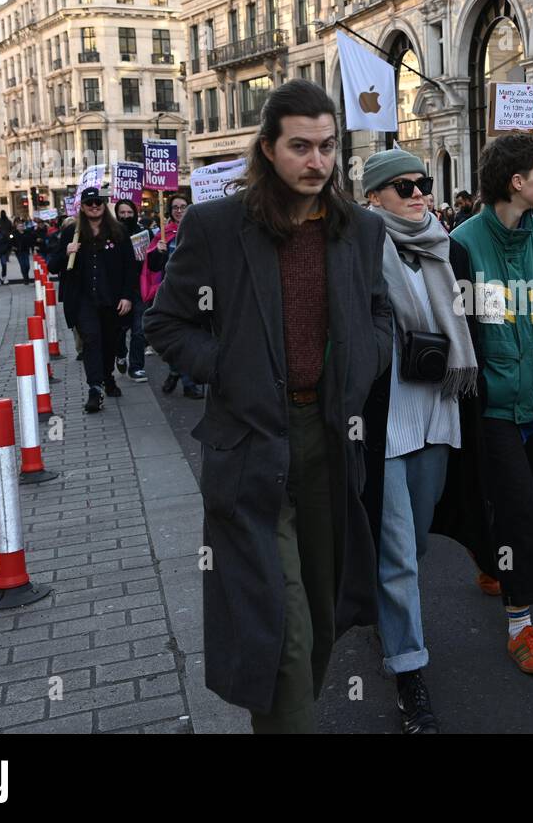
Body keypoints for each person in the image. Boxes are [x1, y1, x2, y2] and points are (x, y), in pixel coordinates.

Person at [145, 79, 391, 734]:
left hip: (331, 441)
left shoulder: (359, 230)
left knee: (319, 612)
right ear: (268, 149)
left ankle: (277, 722)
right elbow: (167, 324)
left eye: (328, 147)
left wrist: (367, 360)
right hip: (252, 446)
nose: (318, 162)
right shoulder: (217, 228)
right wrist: (228, 368)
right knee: (280, 626)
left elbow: (379, 310)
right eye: (301, 147)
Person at [442, 133, 533, 675]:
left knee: (515, 496)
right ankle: (521, 625)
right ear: (516, 182)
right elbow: (457, 333)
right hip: (490, 406)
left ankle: (488, 558)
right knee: (520, 512)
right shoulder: (461, 245)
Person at [360, 147, 477, 734]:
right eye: (402, 186)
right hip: (385, 424)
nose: (416, 194)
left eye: (422, 183)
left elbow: (472, 319)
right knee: (400, 554)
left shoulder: (446, 245)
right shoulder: (359, 248)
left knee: (418, 544)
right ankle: (409, 673)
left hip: (439, 415)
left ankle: (387, 607)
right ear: (374, 196)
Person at [47, 187, 135, 413]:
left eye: (98, 202)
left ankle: (107, 377)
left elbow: (130, 268)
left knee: (110, 343)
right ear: (82, 207)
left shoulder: (119, 232)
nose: (94, 206)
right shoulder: (71, 233)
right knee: (91, 341)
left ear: (104, 205)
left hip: (111, 299)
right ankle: (95, 389)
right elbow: (53, 266)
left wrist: (126, 296)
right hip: (83, 299)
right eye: (89, 203)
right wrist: (66, 252)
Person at [149, 196, 203, 399]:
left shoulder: (200, 229)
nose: (179, 211)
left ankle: (174, 372)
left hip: (199, 291)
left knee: (196, 334)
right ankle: (189, 384)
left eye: (183, 207)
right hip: (172, 292)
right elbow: (153, 266)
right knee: (176, 335)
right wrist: (158, 251)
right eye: (175, 207)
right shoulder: (162, 233)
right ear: (169, 211)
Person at [113, 200, 149, 383]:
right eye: (122, 212)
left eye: (129, 212)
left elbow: (153, 263)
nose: (126, 216)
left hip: (139, 288)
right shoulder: (111, 234)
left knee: (139, 330)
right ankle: (120, 353)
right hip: (117, 290)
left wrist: (157, 252)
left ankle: (136, 366)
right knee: (119, 329)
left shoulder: (144, 232)